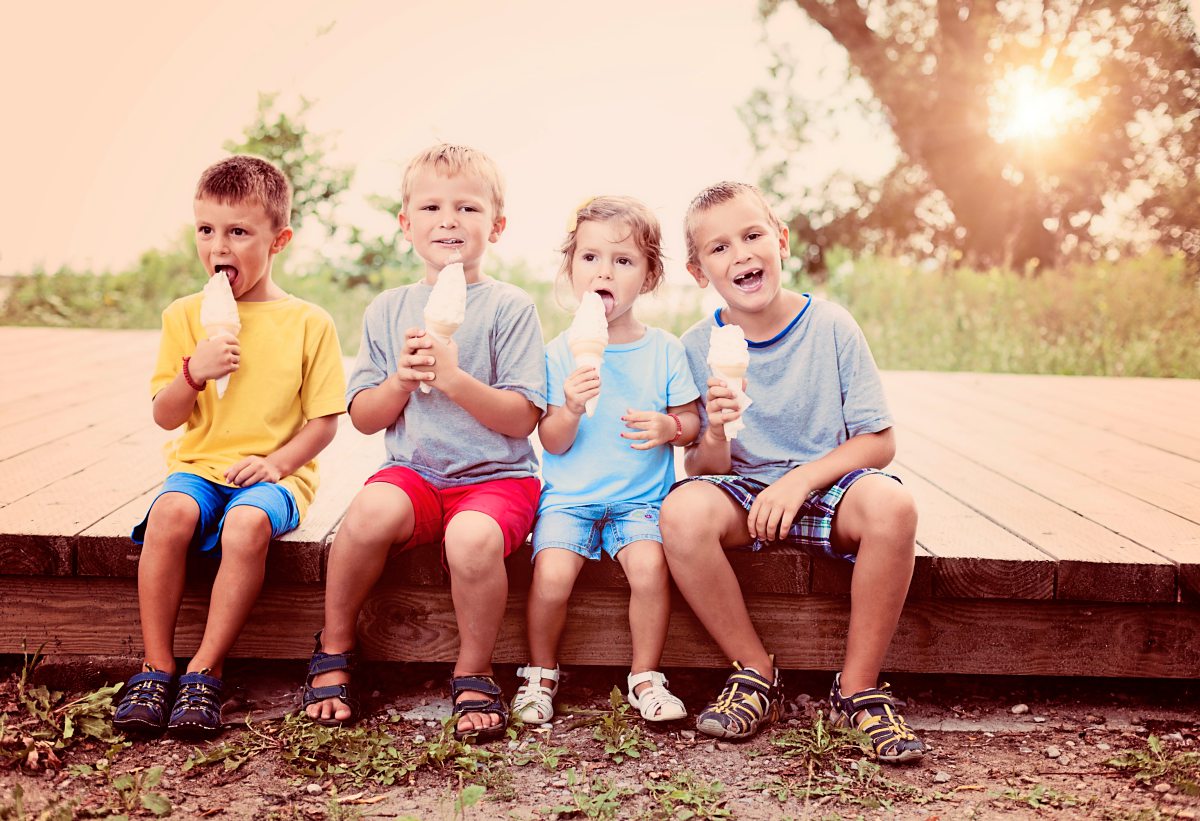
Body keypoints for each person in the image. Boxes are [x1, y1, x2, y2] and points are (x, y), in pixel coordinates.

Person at [661, 181, 926, 763]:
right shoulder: (695, 345)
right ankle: (756, 673)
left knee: (895, 507)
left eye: (753, 236)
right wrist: (714, 429)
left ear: (780, 241)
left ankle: (857, 687)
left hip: (828, 483)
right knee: (680, 512)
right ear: (698, 269)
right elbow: (703, 467)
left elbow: (879, 442)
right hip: (743, 490)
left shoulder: (831, 326)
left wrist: (801, 479)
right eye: (720, 248)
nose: (742, 255)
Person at [302, 144, 545, 742]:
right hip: (415, 473)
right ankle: (335, 644)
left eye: (467, 207)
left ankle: (474, 665)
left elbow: (522, 419)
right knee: (364, 515)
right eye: (431, 207)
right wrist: (403, 380)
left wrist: (456, 379)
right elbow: (362, 416)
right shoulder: (388, 310)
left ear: (498, 225)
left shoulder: (511, 308)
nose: (449, 220)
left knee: (471, 539)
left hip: (497, 479)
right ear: (405, 224)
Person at [113, 155, 347, 739]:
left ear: (279, 240)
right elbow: (166, 417)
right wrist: (192, 373)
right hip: (198, 468)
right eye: (207, 230)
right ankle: (156, 665)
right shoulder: (183, 317)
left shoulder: (308, 322)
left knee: (245, 527)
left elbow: (323, 423)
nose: (220, 244)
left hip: (276, 479)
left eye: (239, 231)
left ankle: (205, 668)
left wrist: (277, 464)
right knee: (169, 513)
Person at [513, 197, 701, 726]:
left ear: (648, 276)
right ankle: (540, 672)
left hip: (640, 499)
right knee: (550, 575)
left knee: (649, 570)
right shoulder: (556, 353)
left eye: (623, 261)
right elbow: (552, 441)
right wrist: (571, 406)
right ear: (570, 269)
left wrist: (670, 427)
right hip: (570, 500)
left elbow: (691, 424)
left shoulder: (663, 349)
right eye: (590, 257)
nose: (604, 271)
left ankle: (645, 675)